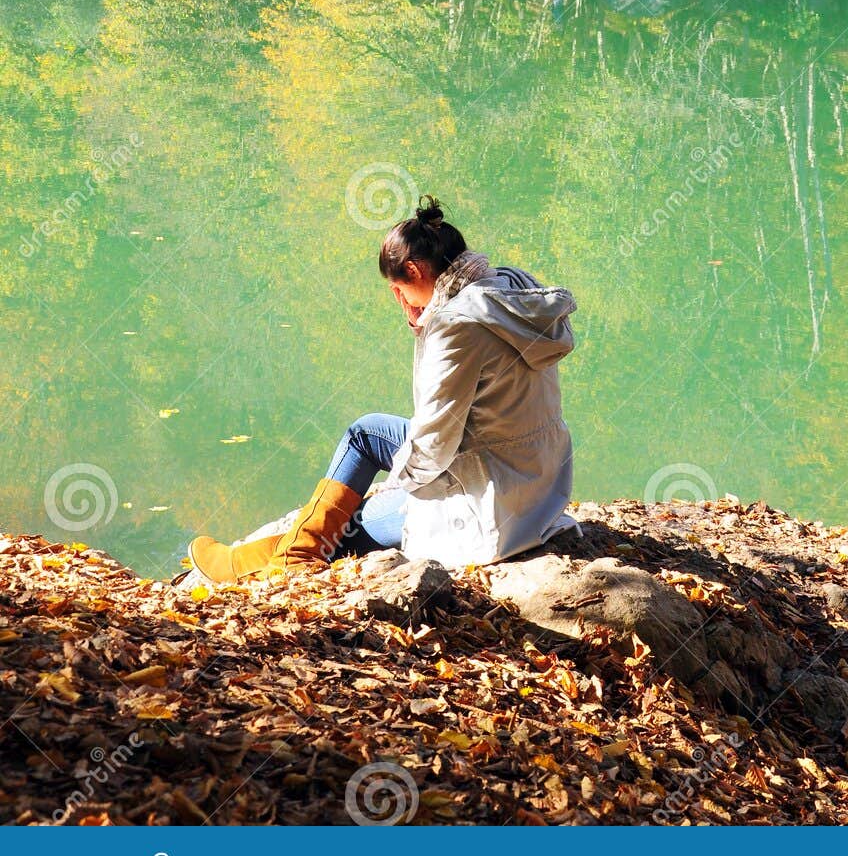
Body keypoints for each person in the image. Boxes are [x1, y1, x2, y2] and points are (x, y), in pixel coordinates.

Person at [187, 198, 578, 582]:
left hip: (489, 509)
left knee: (352, 525)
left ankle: (272, 559)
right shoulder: (510, 289)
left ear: (414, 269)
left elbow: (435, 444)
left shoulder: (458, 324)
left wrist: (393, 487)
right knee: (366, 432)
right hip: (537, 487)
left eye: (399, 289)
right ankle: (298, 548)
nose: (400, 300)